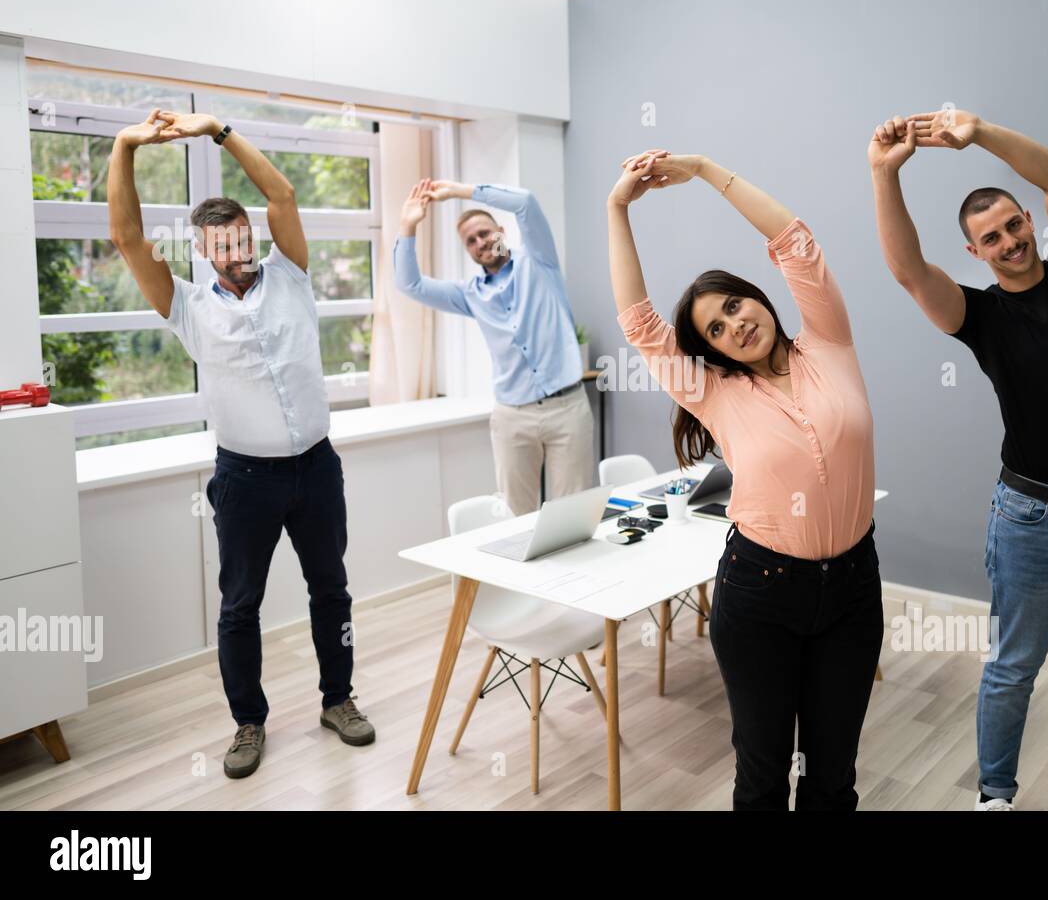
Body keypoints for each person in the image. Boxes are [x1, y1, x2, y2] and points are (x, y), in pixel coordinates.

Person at [869, 109, 1048, 811]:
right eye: (991, 238)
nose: (1009, 242)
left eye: (1014, 226)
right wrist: (885, 172)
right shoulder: (978, 317)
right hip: (1029, 520)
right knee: (1015, 668)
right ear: (976, 252)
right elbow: (905, 270)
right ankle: (994, 797)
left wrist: (978, 132)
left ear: (1029, 220)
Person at [607, 148, 882, 810]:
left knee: (832, 778)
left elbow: (793, 239)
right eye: (718, 329)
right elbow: (639, 324)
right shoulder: (712, 393)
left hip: (851, 590)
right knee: (760, 780)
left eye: (735, 305)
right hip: (760, 594)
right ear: (712, 349)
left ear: (757, 295)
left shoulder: (830, 344)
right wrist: (618, 208)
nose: (736, 325)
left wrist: (703, 170)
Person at [108, 108, 374, 780]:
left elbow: (282, 193)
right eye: (219, 245)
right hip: (245, 479)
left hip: (316, 467)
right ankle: (248, 724)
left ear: (251, 236)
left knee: (331, 591)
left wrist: (217, 131)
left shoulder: (293, 274)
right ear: (203, 249)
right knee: (239, 606)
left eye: (240, 239)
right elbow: (126, 236)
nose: (233, 252)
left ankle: (338, 700)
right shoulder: (187, 306)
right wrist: (124, 145)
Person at [395, 179, 593, 516]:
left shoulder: (539, 262)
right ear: (468, 250)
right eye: (471, 241)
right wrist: (408, 225)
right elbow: (409, 284)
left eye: (485, 233)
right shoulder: (469, 295)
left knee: (571, 513)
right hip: (512, 417)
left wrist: (458, 192)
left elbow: (526, 202)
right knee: (517, 517)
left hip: (567, 408)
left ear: (501, 230)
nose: (480, 242)